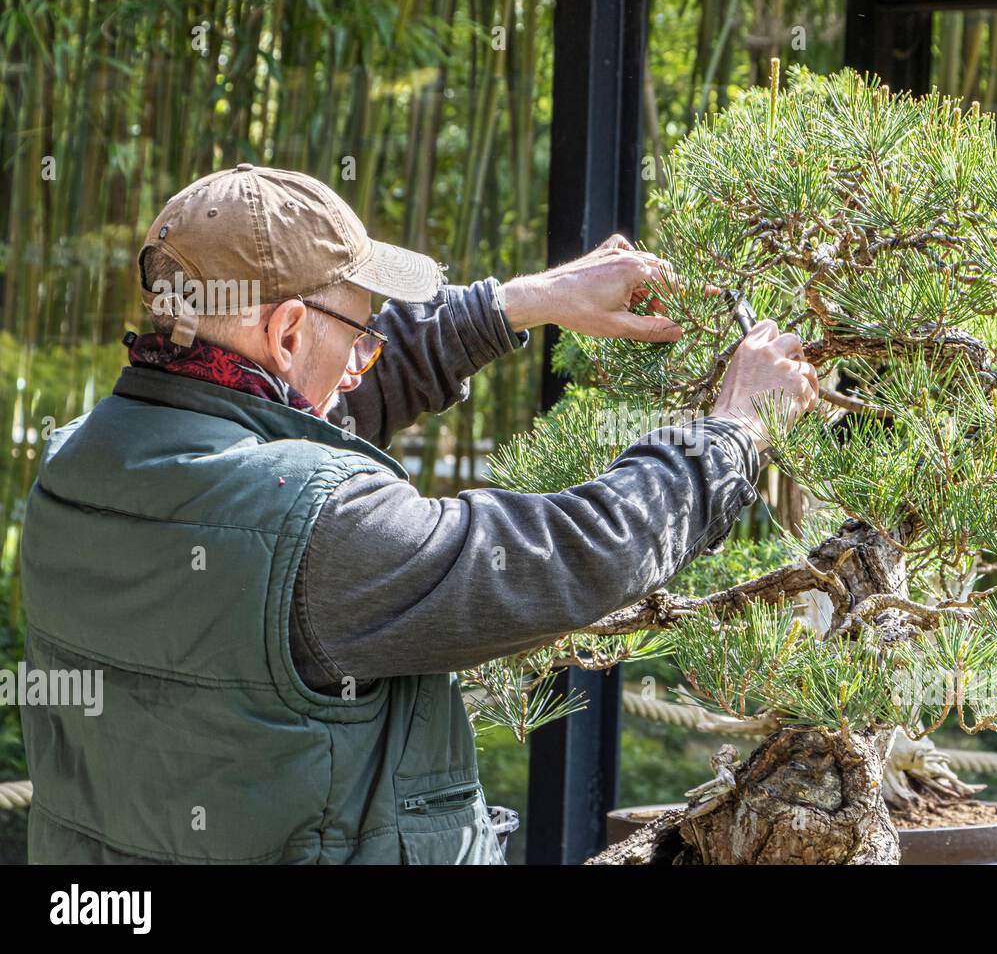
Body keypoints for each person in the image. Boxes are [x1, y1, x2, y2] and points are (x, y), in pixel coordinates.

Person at [18, 164, 818, 864]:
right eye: (362, 331)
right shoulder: (326, 529)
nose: (366, 358)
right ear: (288, 331)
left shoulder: (79, 463)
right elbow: (562, 558)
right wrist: (734, 433)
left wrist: (523, 303)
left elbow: (305, 409)